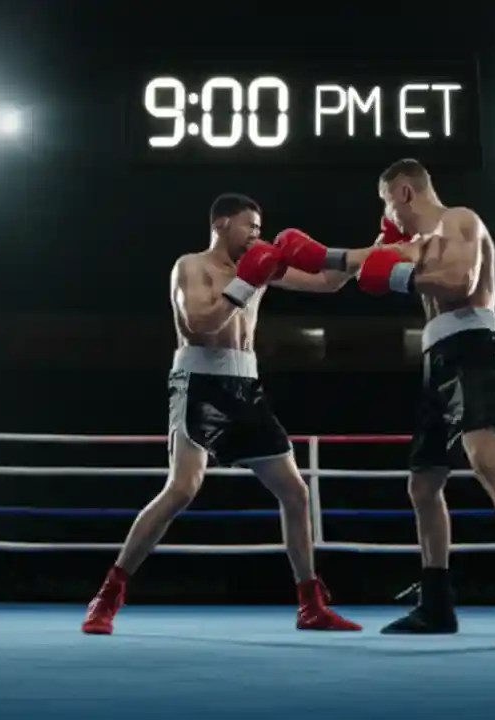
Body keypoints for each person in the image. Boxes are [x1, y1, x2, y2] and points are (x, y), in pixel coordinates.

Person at [272, 159, 495, 647]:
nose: (388, 215)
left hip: (475, 345)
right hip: (438, 356)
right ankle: (437, 602)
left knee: (486, 458)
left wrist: (394, 274)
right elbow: (332, 277)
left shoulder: (460, 220)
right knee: (423, 483)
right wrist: (267, 269)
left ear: (404, 192)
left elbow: (459, 283)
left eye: (388, 203)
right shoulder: (403, 243)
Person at [81, 192, 362, 635]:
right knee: (181, 489)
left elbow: (327, 281)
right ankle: (108, 596)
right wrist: (245, 283)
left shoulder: (263, 264)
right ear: (221, 224)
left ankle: (310, 604)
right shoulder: (191, 266)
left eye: (259, 227)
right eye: (249, 225)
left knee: (295, 492)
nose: (257, 234)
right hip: (199, 383)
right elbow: (198, 323)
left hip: (245, 386)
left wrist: (359, 255)